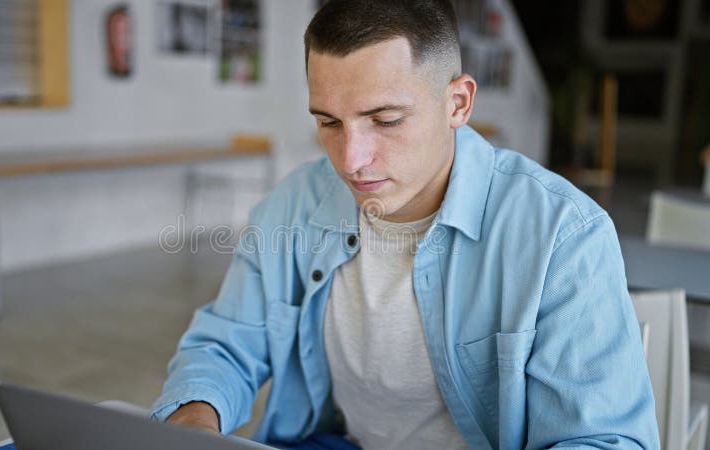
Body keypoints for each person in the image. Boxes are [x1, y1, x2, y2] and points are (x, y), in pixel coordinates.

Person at [151, 1, 659, 449]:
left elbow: (602, 440)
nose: (351, 160)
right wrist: (193, 424)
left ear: (458, 103)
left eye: (386, 120)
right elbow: (225, 344)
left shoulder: (563, 235)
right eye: (329, 122)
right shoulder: (292, 206)